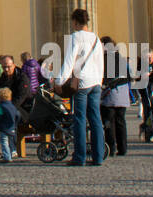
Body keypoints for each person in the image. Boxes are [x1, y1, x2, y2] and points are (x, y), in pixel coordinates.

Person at [54, 9, 105, 166]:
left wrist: (59, 81)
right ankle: (98, 157)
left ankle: (80, 157)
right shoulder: (96, 38)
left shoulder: (76, 37)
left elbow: (69, 61)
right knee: (96, 119)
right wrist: (99, 80)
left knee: (80, 120)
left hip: (82, 83)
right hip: (95, 81)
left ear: (75, 21)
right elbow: (100, 62)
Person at [100, 37, 131, 157]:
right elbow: (127, 76)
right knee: (121, 122)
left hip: (109, 94)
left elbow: (103, 77)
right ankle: (123, 148)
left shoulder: (105, 59)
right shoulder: (120, 58)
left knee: (108, 122)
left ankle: (111, 148)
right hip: (122, 95)